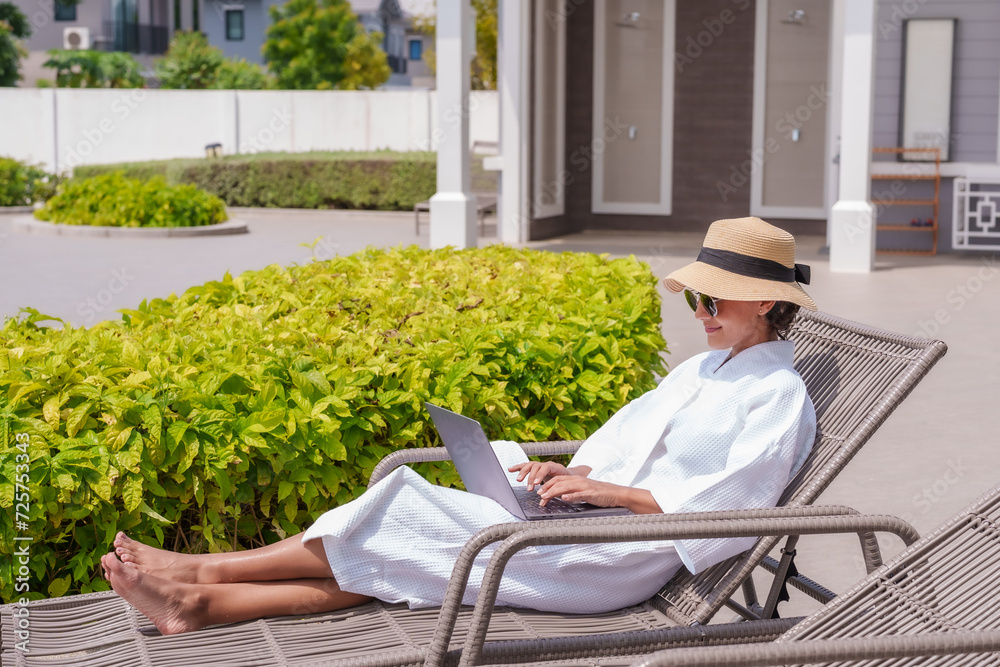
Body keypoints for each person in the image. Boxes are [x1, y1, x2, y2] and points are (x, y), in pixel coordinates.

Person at [101, 216, 818, 636]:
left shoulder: (777, 396)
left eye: (715, 300)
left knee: (404, 502)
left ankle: (203, 568)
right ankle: (198, 603)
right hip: (581, 524)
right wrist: (573, 476)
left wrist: (615, 500)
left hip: (621, 555)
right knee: (404, 556)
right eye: (695, 298)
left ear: (764, 302)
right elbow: (622, 447)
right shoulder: (703, 370)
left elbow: (735, 509)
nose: (700, 312)